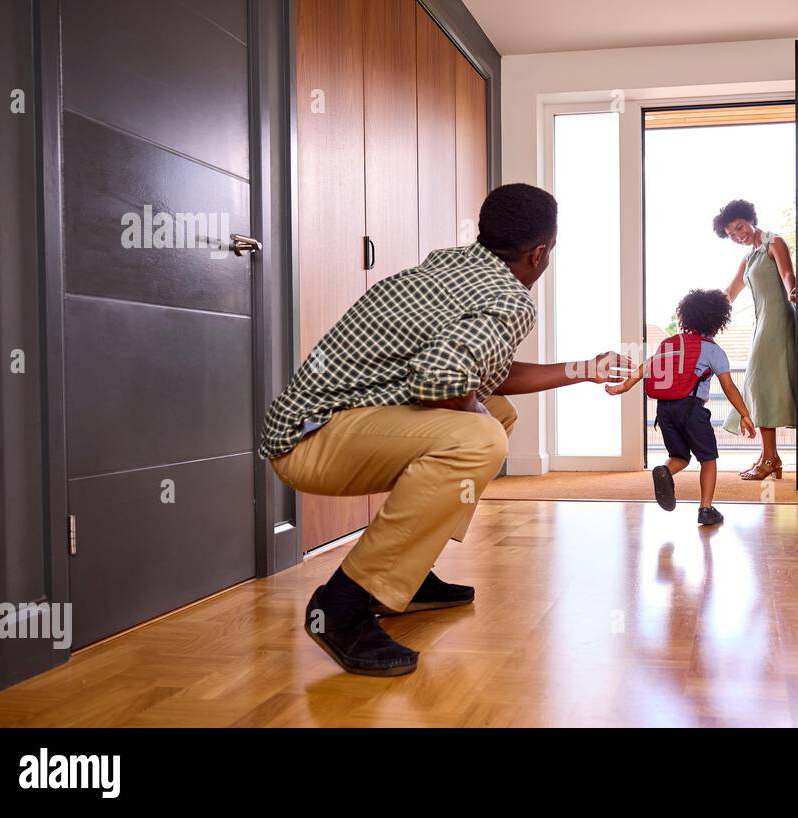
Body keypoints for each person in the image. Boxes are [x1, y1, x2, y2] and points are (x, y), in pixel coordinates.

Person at [259, 183, 631, 677]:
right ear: (539, 253)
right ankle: (343, 606)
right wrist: (475, 419)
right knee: (480, 436)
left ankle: (407, 577)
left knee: (493, 414)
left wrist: (584, 368)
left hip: (317, 427)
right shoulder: (508, 298)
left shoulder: (453, 265)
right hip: (312, 440)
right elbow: (440, 378)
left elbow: (484, 375)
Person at [606, 288, 756, 525]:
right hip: (692, 410)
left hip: (664, 410)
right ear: (717, 321)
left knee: (679, 456)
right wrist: (744, 414)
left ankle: (665, 471)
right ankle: (706, 509)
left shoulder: (670, 344)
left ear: (686, 317)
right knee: (708, 459)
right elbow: (729, 387)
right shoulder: (713, 350)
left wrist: (625, 386)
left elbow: (646, 366)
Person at [713, 199, 797, 480]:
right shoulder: (748, 259)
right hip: (763, 323)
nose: (739, 236)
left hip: (779, 321)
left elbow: (787, 273)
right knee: (759, 385)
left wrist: (792, 291)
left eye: (740, 228)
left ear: (750, 219)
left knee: (758, 382)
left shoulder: (774, 242)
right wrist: (704, 317)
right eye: (732, 235)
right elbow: (730, 292)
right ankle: (767, 455)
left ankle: (771, 458)